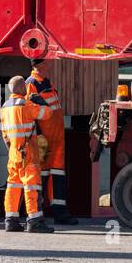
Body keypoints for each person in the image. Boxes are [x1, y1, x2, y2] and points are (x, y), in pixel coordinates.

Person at [27, 60, 78, 224]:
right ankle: (37, 213)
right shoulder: (32, 84)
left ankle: (60, 212)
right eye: (48, 63)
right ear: (39, 65)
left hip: (56, 141)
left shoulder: (46, 83)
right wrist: (39, 136)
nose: (51, 65)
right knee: (40, 177)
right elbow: (30, 112)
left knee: (57, 176)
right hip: (45, 141)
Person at [0, 75, 52, 233]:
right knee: (32, 185)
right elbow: (46, 114)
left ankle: (11, 220)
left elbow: (4, 134)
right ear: (22, 88)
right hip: (28, 152)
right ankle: (34, 221)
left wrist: (12, 149)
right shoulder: (26, 105)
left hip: (13, 153)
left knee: (13, 185)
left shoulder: (4, 107)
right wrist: (41, 101)